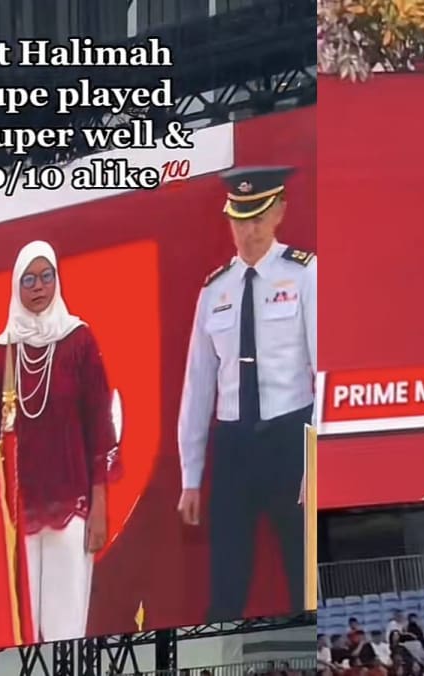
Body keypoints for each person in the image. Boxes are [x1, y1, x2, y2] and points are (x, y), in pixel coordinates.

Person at [176, 166, 315, 621]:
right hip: (234, 446)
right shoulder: (213, 289)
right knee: (226, 584)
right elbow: (198, 386)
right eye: (239, 218)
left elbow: (324, 370)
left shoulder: (304, 275)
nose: (248, 230)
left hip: (290, 435)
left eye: (257, 217)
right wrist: (191, 477)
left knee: (303, 577)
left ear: (279, 213)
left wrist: (320, 458)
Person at [0, 240, 120, 646]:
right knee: (19, 631)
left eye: (46, 276)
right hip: (15, 513)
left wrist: (100, 505)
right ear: (16, 287)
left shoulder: (79, 342)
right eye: (28, 279)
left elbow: (100, 430)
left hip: (71, 506)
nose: (38, 287)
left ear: (58, 279)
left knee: (66, 627)